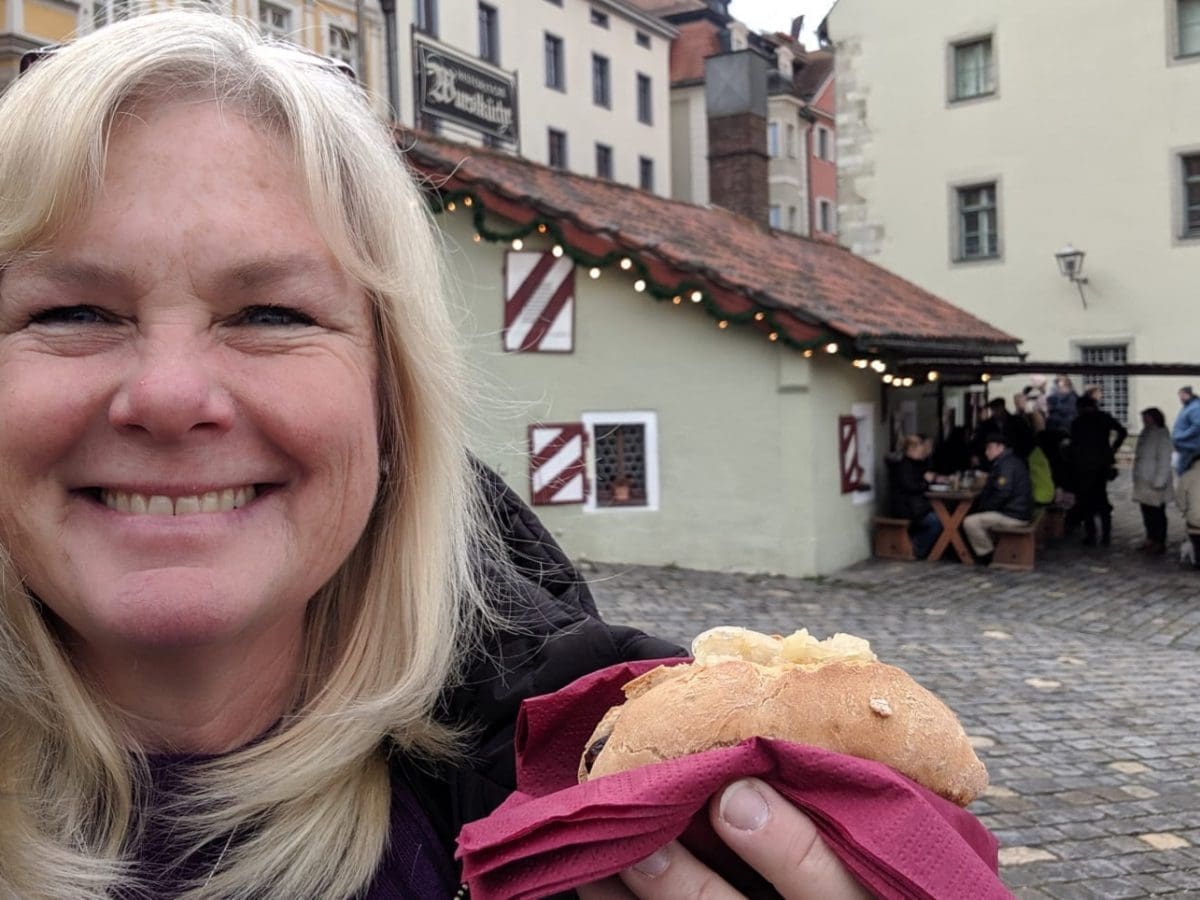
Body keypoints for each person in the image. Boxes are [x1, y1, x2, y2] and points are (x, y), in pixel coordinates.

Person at [0, 14, 873, 899]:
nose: (169, 397)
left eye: (271, 315)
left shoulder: (643, 803)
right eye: (71, 313)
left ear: (392, 399)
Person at [962, 434, 1033, 566]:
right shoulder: (1009, 461)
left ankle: (987, 555)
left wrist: (985, 507)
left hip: (1013, 515)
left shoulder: (1006, 465)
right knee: (975, 516)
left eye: (990, 448)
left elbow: (1003, 493)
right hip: (1018, 511)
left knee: (970, 522)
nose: (986, 452)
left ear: (1000, 447)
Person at [1069, 394, 1128, 546]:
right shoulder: (1104, 417)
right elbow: (1122, 431)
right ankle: (1106, 535)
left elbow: (1074, 445)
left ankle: (1091, 535)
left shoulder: (1078, 422)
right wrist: (1113, 449)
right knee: (1102, 499)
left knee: (1086, 501)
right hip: (1102, 464)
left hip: (1084, 466)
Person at [888, 434, 943, 559]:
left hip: (915, 506)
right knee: (937, 521)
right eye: (920, 450)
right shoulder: (903, 465)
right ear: (911, 449)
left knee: (940, 517)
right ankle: (915, 547)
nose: (922, 452)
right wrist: (926, 482)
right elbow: (910, 487)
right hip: (906, 507)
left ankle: (918, 546)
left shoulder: (916, 463)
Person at [1131, 408, 1173, 555]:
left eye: (1146, 418)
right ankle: (1150, 538)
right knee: (1147, 512)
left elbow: (1164, 460)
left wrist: (1160, 480)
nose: (1144, 421)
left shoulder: (1161, 434)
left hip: (1154, 480)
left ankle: (1159, 541)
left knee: (1157, 514)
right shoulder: (1145, 433)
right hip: (1144, 480)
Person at [1173, 386, 1200, 567]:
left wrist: (1180, 437)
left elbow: (1197, 425)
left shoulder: (1195, 407)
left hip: (1190, 449)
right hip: (1188, 450)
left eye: (1181, 394)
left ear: (1187, 394)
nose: (1180, 397)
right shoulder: (1189, 407)